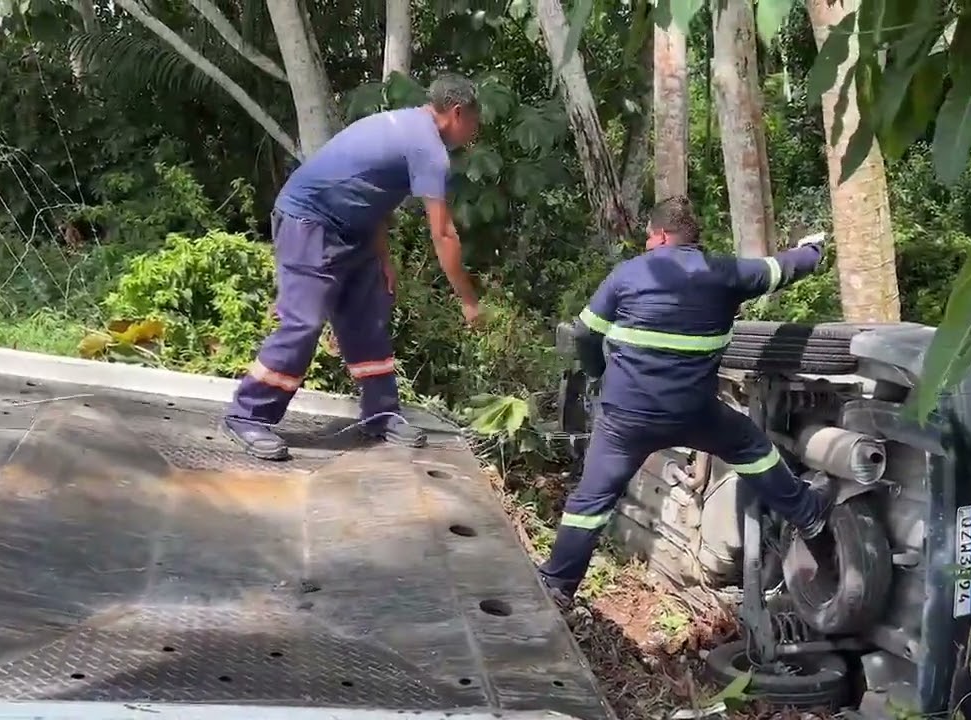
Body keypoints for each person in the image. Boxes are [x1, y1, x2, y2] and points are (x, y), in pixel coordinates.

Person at [537, 196, 835, 606]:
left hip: (625, 418)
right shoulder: (727, 273)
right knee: (751, 446)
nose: (647, 244)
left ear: (661, 235)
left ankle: (558, 584)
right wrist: (813, 249)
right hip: (694, 413)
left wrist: (597, 372)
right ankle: (809, 514)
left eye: (648, 237)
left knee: (590, 501)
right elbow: (782, 269)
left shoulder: (628, 274)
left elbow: (586, 333)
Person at [223, 73, 483, 460]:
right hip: (310, 222)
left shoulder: (405, 125)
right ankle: (247, 415)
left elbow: (370, 194)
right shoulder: (428, 148)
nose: (475, 132)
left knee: (368, 319)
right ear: (457, 112)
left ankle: (381, 413)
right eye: (475, 122)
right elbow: (443, 234)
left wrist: (382, 258)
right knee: (303, 323)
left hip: (354, 231)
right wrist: (468, 301)